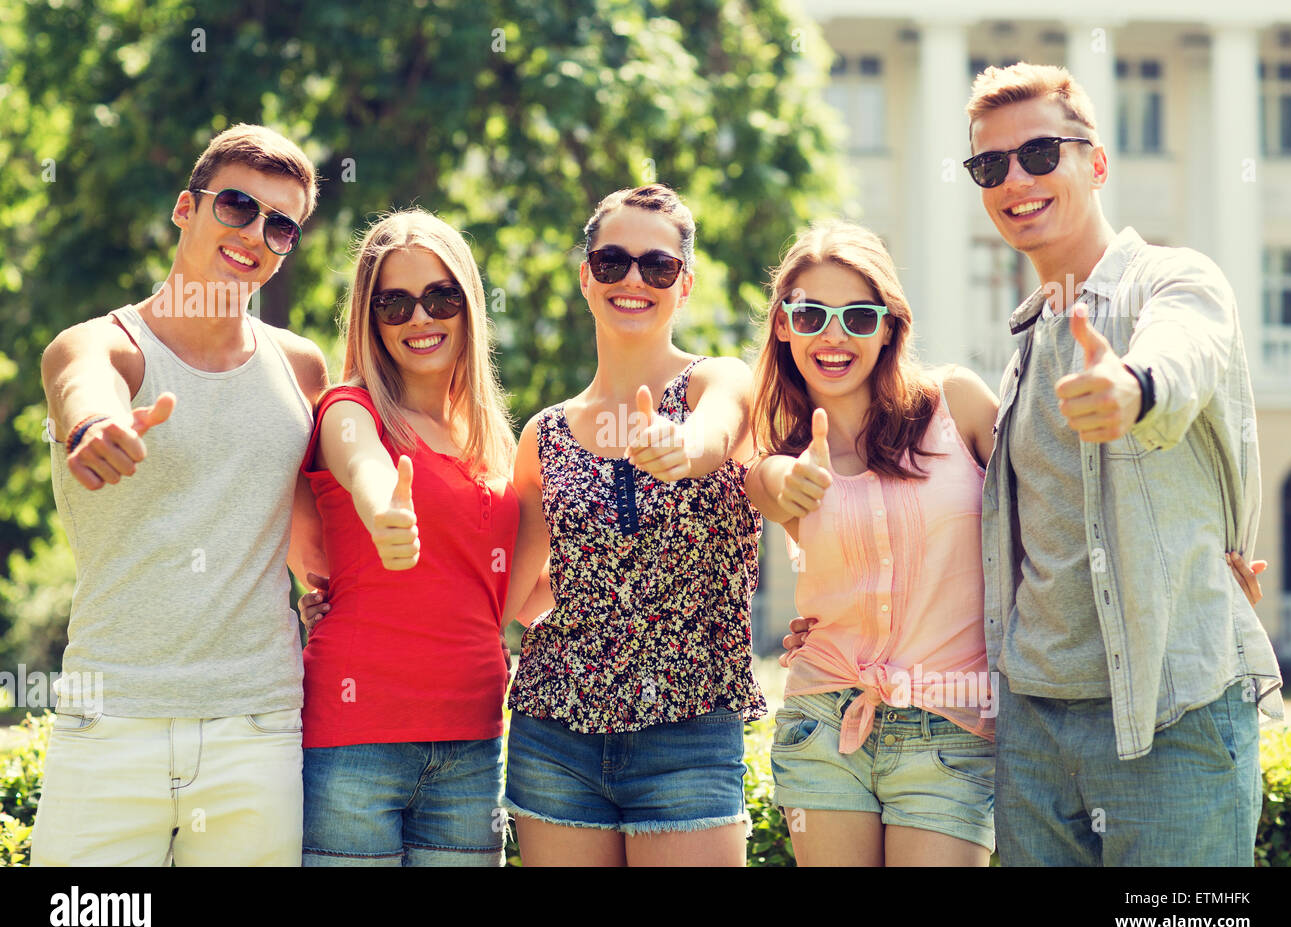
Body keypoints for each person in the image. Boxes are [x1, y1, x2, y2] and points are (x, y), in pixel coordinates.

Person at [962, 62, 1281, 865]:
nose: (1015, 180)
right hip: (1034, 729)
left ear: (1096, 164)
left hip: (1172, 716)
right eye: (990, 165)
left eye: (1041, 154)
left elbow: (1185, 353)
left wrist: (1132, 387)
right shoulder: (1025, 344)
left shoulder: (1174, 280)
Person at [32, 124, 329, 865]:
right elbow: (83, 390)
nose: (256, 233)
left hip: (256, 726)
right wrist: (95, 429)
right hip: (111, 720)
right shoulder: (101, 345)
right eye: (236, 206)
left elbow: (310, 543)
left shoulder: (301, 368)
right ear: (184, 209)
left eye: (281, 225)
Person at [501, 183, 766, 866]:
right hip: (554, 734)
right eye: (613, 260)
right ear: (587, 275)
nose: (634, 280)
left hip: (689, 730)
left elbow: (716, 432)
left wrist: (684, 448)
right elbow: (514, 594)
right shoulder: (544, 434)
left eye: (659, 266)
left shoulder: (718, 382)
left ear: (685, 284)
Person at [746, 222, 999, 866]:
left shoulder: (959, 405)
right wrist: (788, 479)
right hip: (822, 722)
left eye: (859, 316)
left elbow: (1050, 516)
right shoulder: (780, 454)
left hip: (953, 725)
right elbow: (767, 490)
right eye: (811, 315)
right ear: (782, 325)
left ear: (889, 326)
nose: (834, 335)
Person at [294, 209, 522, 866]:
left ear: (469, 306)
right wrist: (383, 512)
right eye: (395, 304)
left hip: (475, 741)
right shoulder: (350, 408)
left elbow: (513, 589)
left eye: (440, 297)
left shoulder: (492, 442)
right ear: (371, 320)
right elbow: (362, 465)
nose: (420, 318)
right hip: (356, 739)